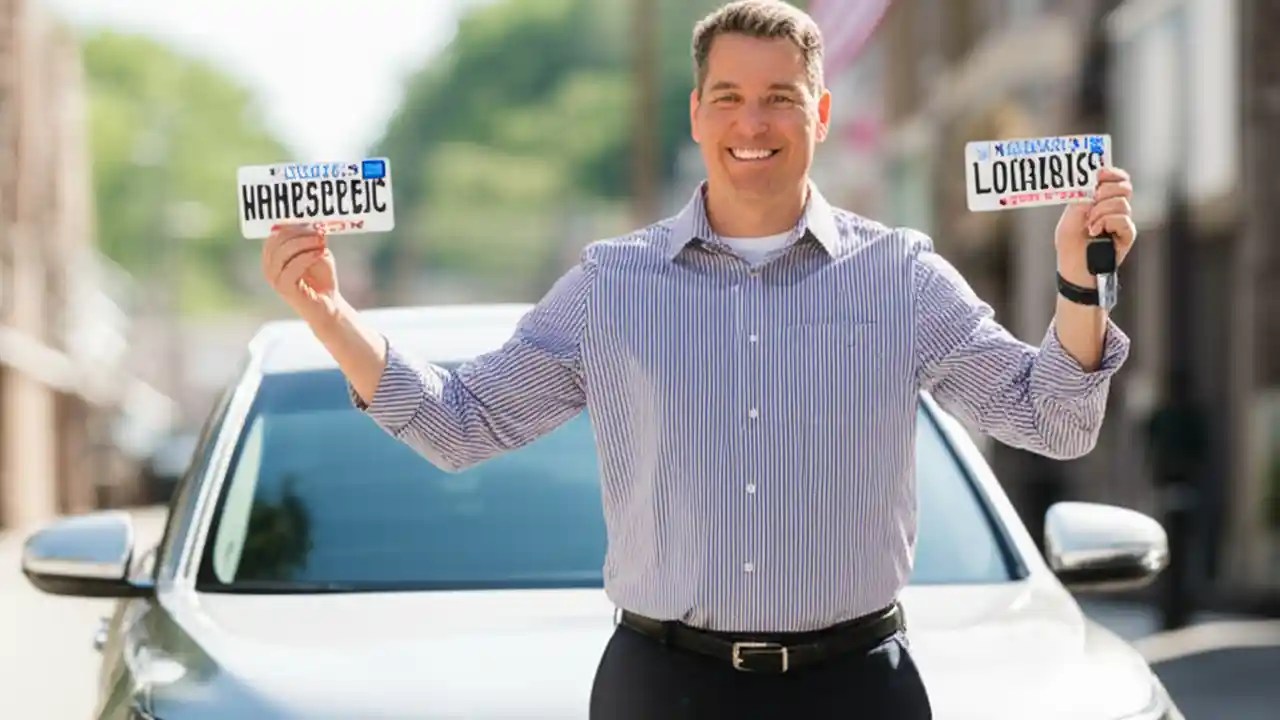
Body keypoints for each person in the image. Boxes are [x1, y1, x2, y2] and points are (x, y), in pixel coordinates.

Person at [261, 1, 1137, 717]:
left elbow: (1052, 419)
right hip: (663, 688)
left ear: (821, 114)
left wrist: (1076, 279)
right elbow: (459, 425)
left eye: (780, 98)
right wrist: (327, 312)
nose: (752, 122)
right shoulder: (612, 285)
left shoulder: (901, 278)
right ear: (695, 111)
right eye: (728, 96)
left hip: (856, 690)